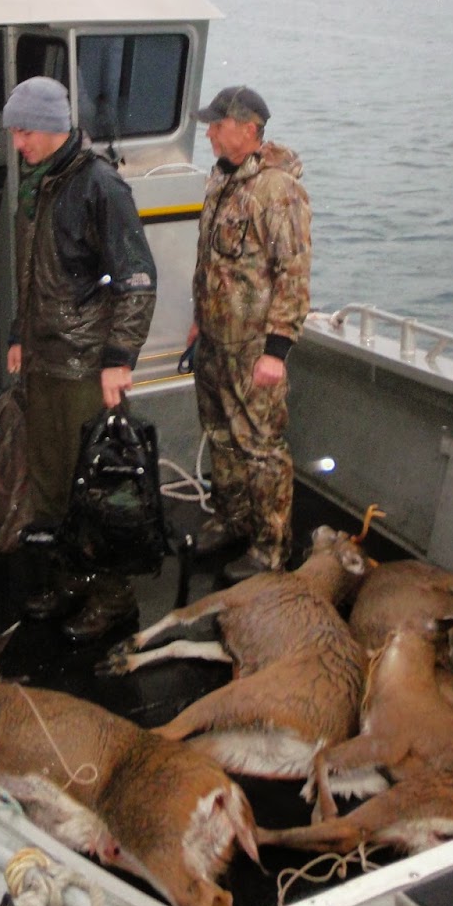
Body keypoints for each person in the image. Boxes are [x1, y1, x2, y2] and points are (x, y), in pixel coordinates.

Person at [3, 75, 157, 641]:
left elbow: (137, 279)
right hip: (44, 363)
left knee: (95, 485)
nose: (17, 144)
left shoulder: (100, 187)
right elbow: (33, 273)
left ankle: (112, 596)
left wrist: (119, 358)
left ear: (50, 127)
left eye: (23, 132)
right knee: (49, 485)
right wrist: (20, 333)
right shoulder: (41, 183)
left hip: (85, 369)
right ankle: (71, 577)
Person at [188, 85, 311, 583]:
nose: (210, 133)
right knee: (221, 436)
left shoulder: (277, 190)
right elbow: (213, 260)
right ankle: (232, 518)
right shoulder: (223, 178)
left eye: (218, 125)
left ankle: (270, 547)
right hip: (215, 339)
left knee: (261, 447)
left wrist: (276, 350)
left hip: (254, 348)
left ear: (248, 129)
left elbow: (294, 272)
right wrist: (199, 318)